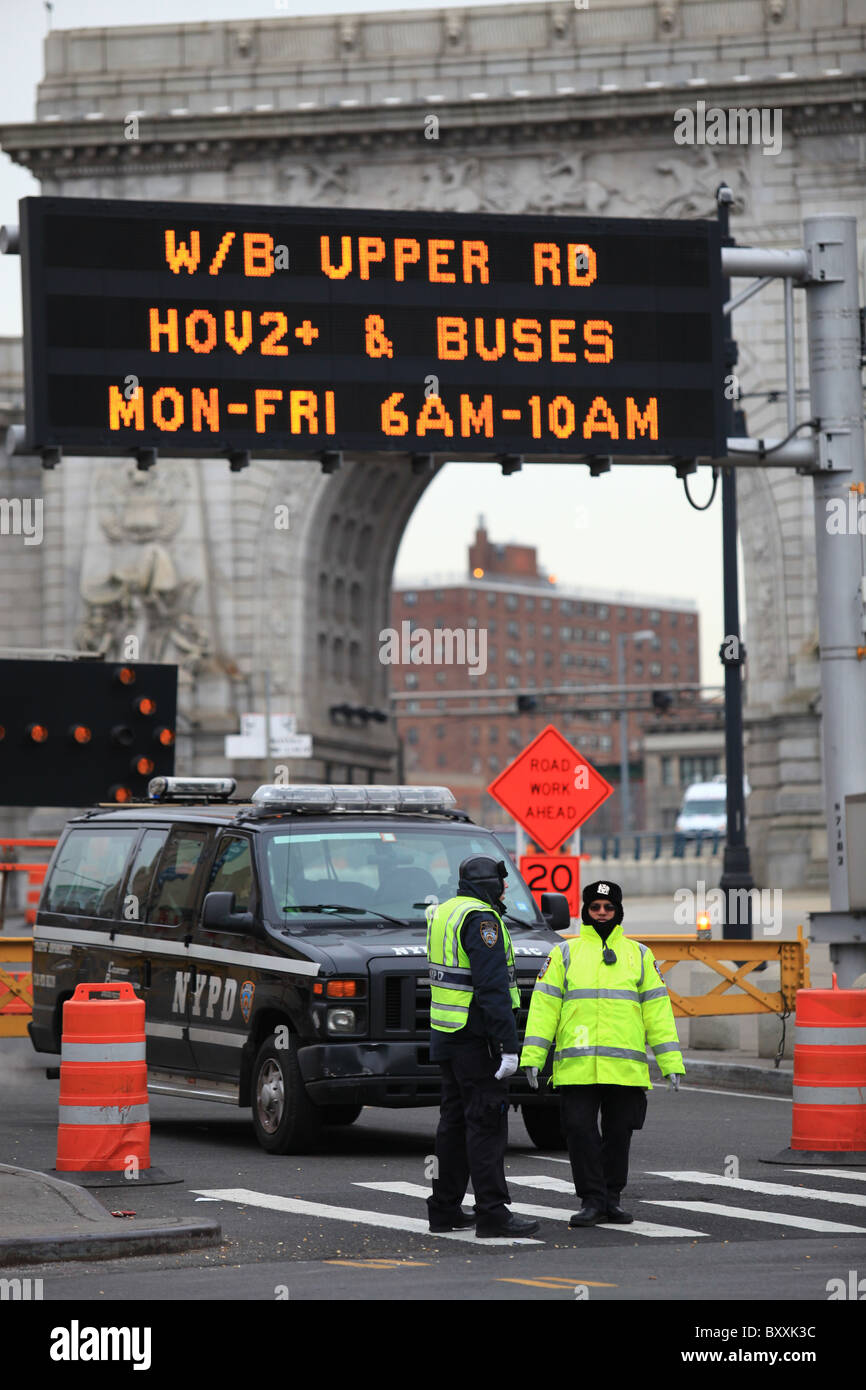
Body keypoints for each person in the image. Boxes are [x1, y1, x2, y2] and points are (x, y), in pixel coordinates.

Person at [520, 879, 685, 1227]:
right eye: (595, 908)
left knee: (618, 1134)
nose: (601, 913)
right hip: (577, 1066)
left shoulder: (639, 955)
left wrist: (671, 1062)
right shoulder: (565, 953)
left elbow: (658, 1012)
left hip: (623, 1068)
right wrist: (533, 1057)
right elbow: (543, 1008)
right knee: (579, 1131)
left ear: (618, 911)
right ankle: (591, 1200)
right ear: (586, 911)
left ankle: (612, 1198)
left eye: (608, 908)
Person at [425, 855, 540, 1239]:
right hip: (478, 1040)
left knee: (453, 1126)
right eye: (501, 883)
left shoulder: (446, 912)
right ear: (488, 883)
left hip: (448, 1034)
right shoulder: (482, 920)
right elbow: (492, 989)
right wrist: (509, 1045)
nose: (504, 889)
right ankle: (492, 1212)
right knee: (487, 1124)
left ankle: (443, 1209)